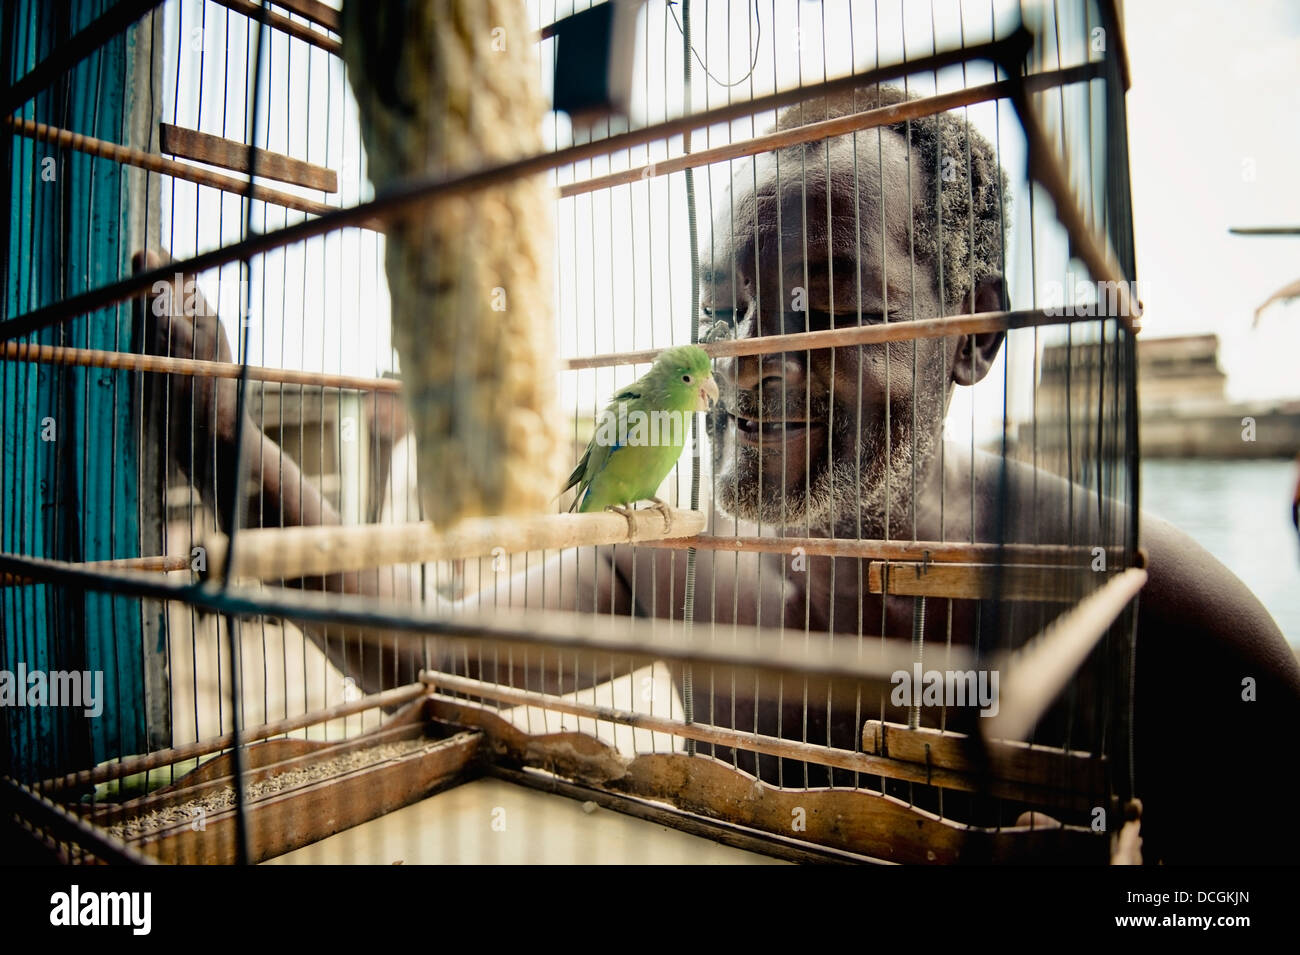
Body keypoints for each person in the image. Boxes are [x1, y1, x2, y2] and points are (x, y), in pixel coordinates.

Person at [139, 86, 1300, 864]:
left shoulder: (1154, 615)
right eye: (725, 307)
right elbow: (418, 656)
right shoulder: (671, 565)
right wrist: (215, 418)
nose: (745, 361)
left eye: (828, 301)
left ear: (972, 330)